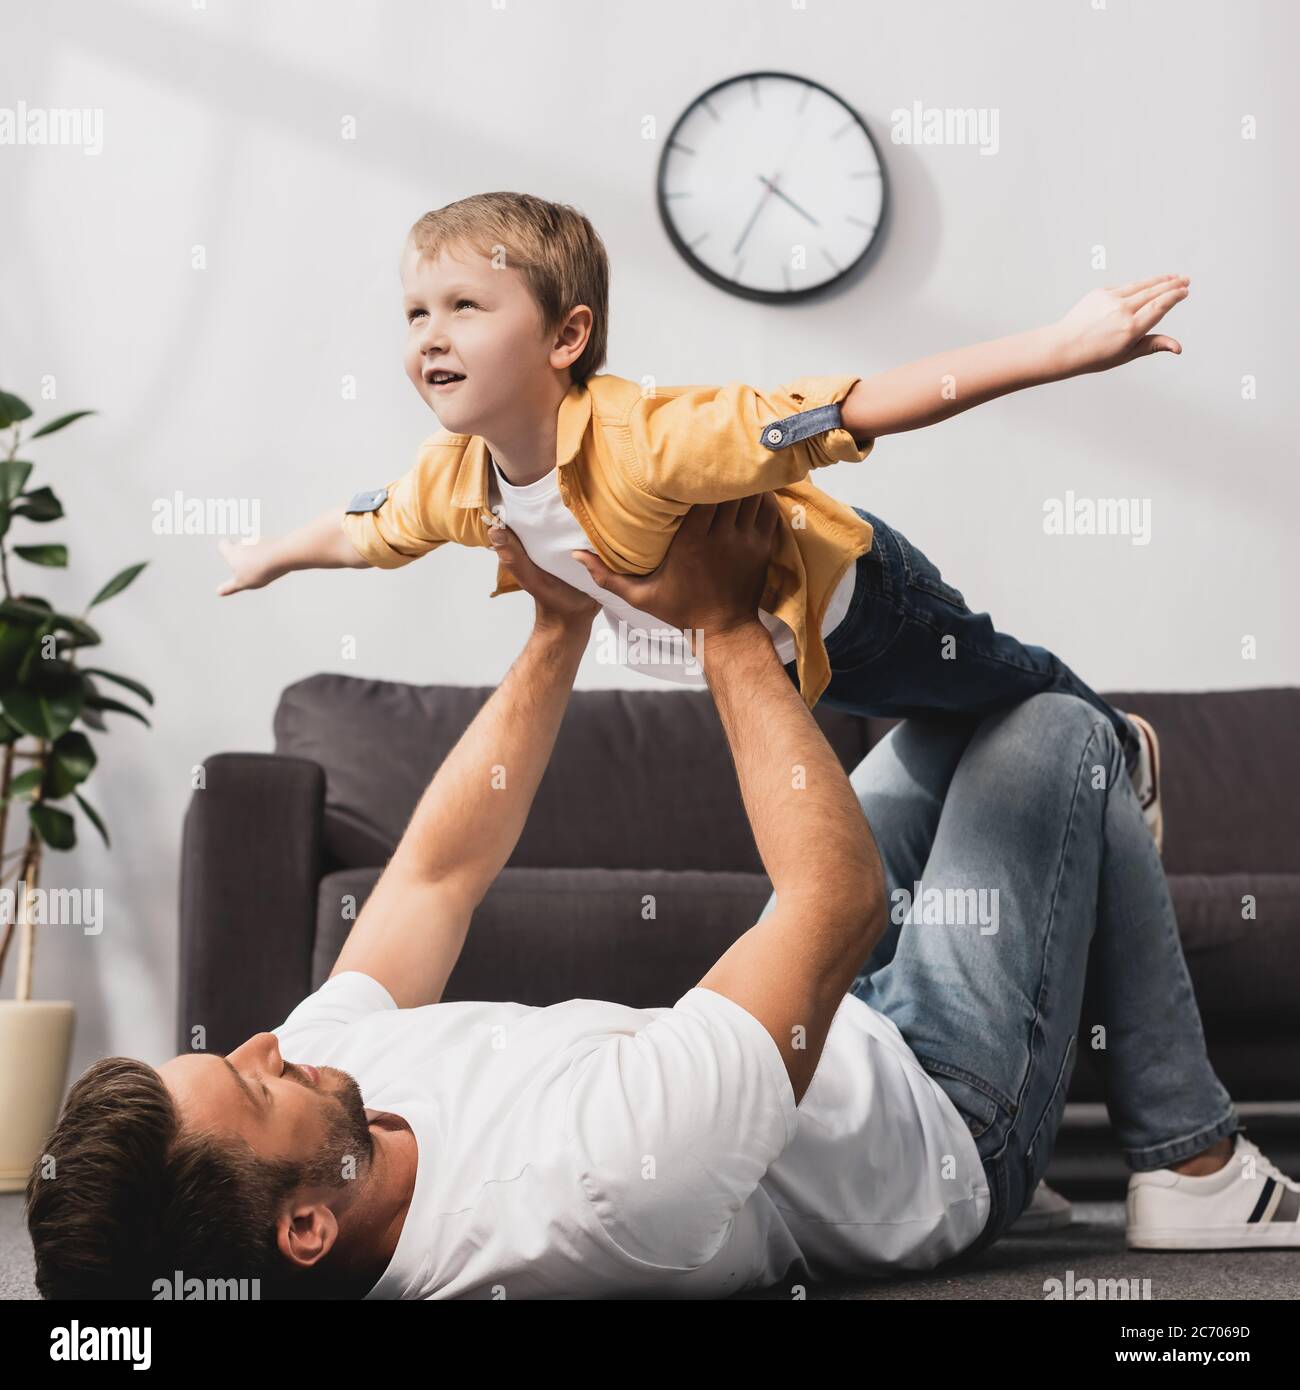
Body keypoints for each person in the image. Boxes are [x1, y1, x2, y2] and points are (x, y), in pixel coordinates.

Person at [27, 501, 1292, 1301]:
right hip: (944, 1115)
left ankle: (1103, 824)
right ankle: (1187, 1153)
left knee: (961, 716)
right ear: (305, 1227)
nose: (265, 1043)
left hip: (819, 1023)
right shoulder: (584, 1195)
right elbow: (833, 902)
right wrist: (726, 626)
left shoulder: (319, 1094)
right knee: (1051, 731)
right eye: (249, 1085)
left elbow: (431, 875)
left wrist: (553, 631)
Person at [215, 190, 1174, 849]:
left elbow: (854, 406)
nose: (430, 334)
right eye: (416, 312)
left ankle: (1123, 742)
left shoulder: (656, 438)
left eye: (465, 305)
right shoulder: (458, 478)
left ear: (567, 336)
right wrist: (272, 557)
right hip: (792, 669)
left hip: (866, 603)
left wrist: (1059, 347)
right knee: (952, 728)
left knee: (1002, 685)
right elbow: (363, 532)